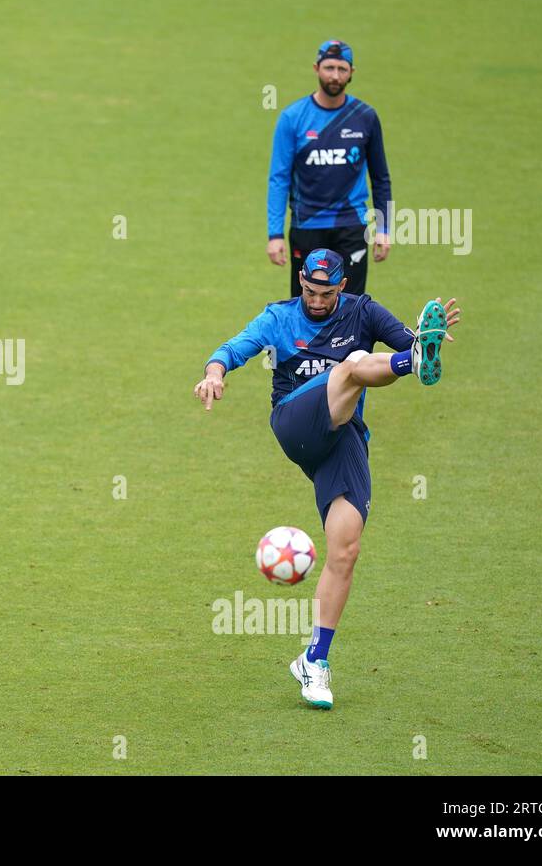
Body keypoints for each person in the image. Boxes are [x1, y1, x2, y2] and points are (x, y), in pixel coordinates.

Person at [193, 250, 460, 708]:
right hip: (294, 421)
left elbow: (404, 338)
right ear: (300, 280)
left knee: (346, 548)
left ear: (343, 286)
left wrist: (424, 339)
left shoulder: (364, 310)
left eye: (328, 293)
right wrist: (214, 373)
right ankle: (412, 365)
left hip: (342, 436)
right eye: (310, 291)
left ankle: (314, 662)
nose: (317, 301)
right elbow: (233, 348)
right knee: (354, 363)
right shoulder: (279, 317)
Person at [266, 40, 392, 298]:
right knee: (305, 307)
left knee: (352, 310)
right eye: (329, 67)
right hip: (307, 227)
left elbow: (380, 178)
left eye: (342, 69)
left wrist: (384, 228)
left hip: (351, 226)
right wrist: (274, 234)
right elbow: (278, 179)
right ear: (316, 68)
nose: (335, 76)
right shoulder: (293, 118)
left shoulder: (365, 117)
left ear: (351, 73)